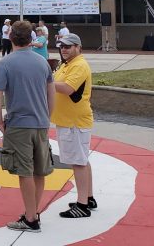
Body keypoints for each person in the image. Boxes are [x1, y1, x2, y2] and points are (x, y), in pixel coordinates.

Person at [0, 20, 55, 233]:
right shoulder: (42, 62)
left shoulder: (6, 63)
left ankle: (30, 219)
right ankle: (33, 212)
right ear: (32, 39)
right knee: (39, 171)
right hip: (41, 122)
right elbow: (50, 92)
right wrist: (47, 116)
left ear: (11, 38)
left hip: (19, 125)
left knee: (24, 172)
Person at [52, 33, 97, 218]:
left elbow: (68, 88)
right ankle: (88, 197)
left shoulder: (79, 65)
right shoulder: (67, 64)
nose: (64, 49)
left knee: (78, 162)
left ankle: (82, 205)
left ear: (78, 47)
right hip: (68, 121)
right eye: (62, 46)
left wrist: (46, 80)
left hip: (74, 122)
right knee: (82, 160)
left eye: (68, 46)